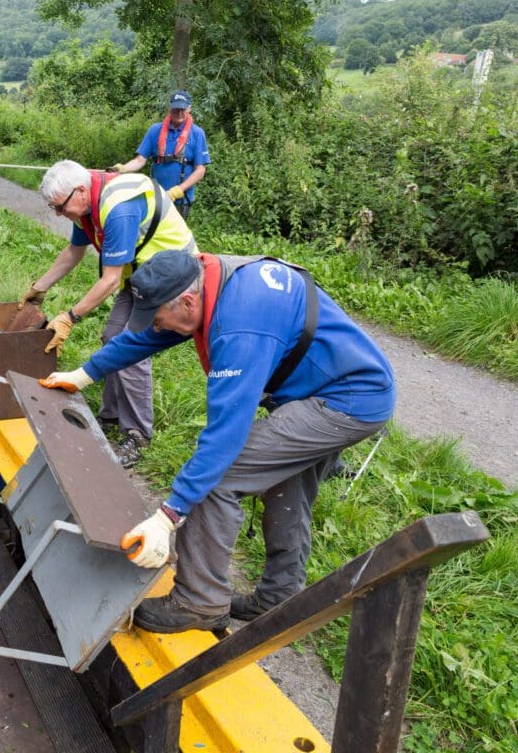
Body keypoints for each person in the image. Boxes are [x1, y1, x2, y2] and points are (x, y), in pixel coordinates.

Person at [41, 249, 395, 633]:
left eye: (159, 319)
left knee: (219, 477)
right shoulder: (206, 278)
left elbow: (225, 436)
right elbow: (147, 338)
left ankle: (199, 601)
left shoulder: (240, 326)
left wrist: (169, 515)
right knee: (279, 480)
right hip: (331, 387)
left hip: (347, 400)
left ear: (188, 302)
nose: (157, 327)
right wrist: (86, 373)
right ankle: (281, 598)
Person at [23, 160, 198, 466]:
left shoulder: (118, 208)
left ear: (79, 191)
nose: (57, 215)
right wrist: (40, 287)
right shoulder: (86, 203)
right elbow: (74, 252)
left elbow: (110, 279)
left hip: (174, 279)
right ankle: (111, 415)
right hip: (141, 275)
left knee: (131, 348)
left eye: (59, 208)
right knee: (110, 336)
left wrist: (70, 317)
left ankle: (138, 434)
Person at [109, 90, 210, 219]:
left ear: (189, 108)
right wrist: (122, 168)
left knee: (174, 237)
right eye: (176, 109)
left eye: (182, 109)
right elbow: (140, 160)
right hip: (155, 196)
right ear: (169, 108)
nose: (179, 113)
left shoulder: (197, 133)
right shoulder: (155, 130)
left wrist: (178, 190)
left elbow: (200, 170)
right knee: (152, 234)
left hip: (181, 199)